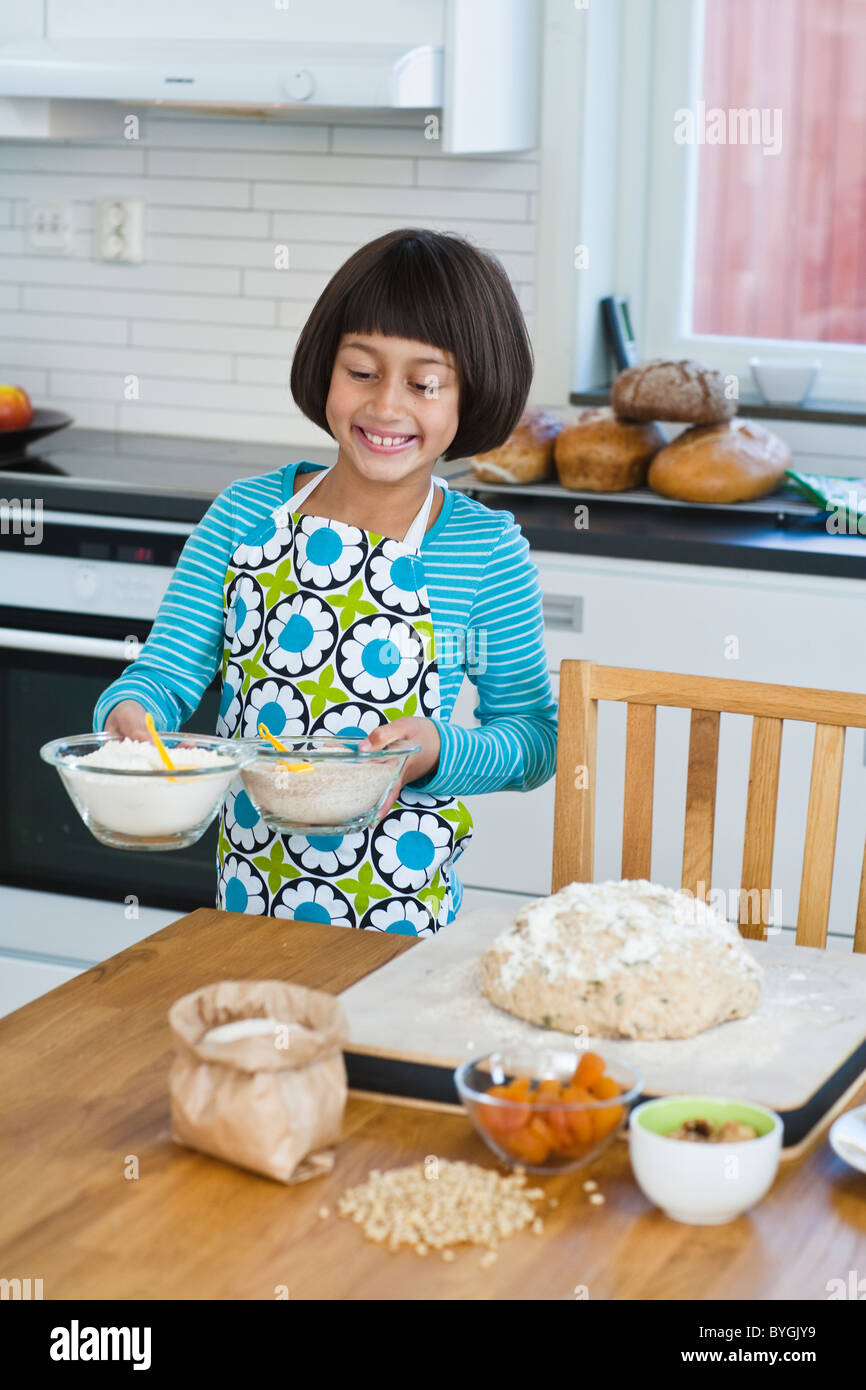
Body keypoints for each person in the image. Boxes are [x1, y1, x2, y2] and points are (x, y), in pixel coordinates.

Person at [94, 228, 557, 933]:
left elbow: (532, 739)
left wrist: (436, 751)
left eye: (424, 383)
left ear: (470, 394)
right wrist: (128, 716)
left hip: (402, 921)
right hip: (248, 905)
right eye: (361, 371)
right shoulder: (244, 514)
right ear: (326, 369)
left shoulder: (484, 551)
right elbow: (167, 672)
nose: (386, 407)